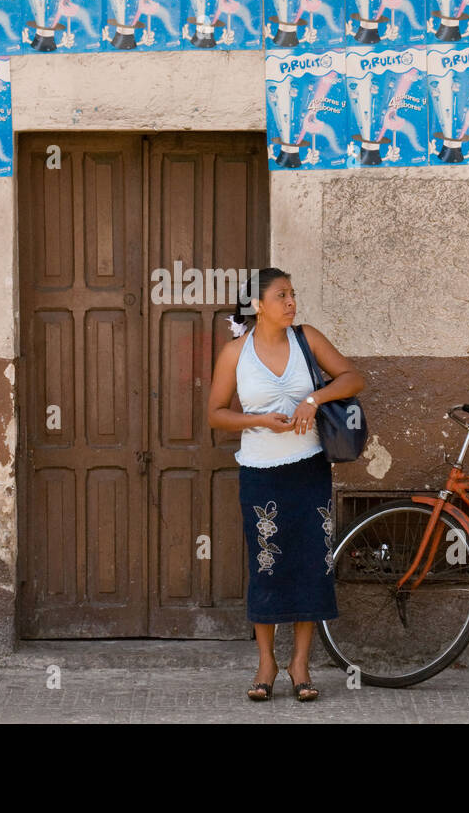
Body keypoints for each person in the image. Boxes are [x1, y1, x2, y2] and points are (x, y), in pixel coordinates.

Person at [206, 267, 365, 702]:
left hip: (309, 470)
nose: (291, 302)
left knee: (311, 564)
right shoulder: (235, 353)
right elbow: (216, 414)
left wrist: (314, 399)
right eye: (281, 295)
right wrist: (258, 420)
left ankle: (300, 664)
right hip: (259, 474)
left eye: (293, 294)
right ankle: (266, 662)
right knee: (267, 565)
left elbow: (353, 378)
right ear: (258, 305)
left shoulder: (306, 339)